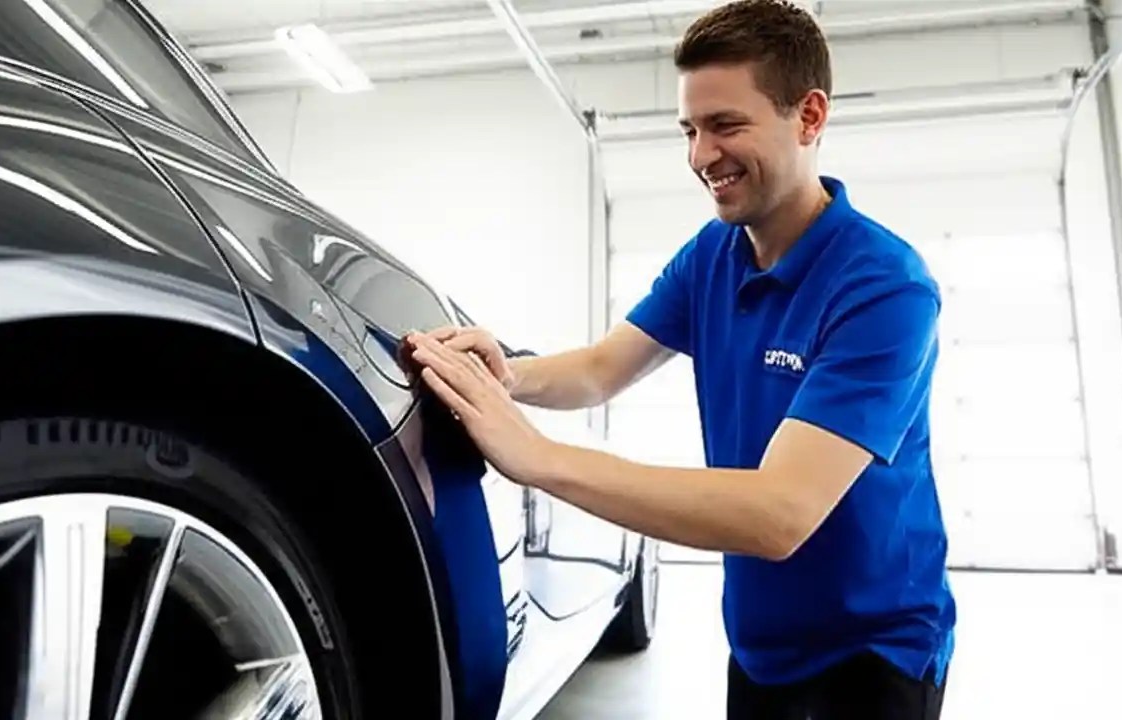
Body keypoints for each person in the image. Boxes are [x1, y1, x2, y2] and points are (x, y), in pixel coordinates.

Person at [402, 0, 954, 717]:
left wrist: (537, 457)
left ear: (809, 116)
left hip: (873, 653)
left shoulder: (885, 287)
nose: (700, 155)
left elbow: (778, 514)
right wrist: (509, 373)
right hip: (759, 640)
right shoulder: (711, 257)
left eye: (726, 125)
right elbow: (603, 368)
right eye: (691, 130)